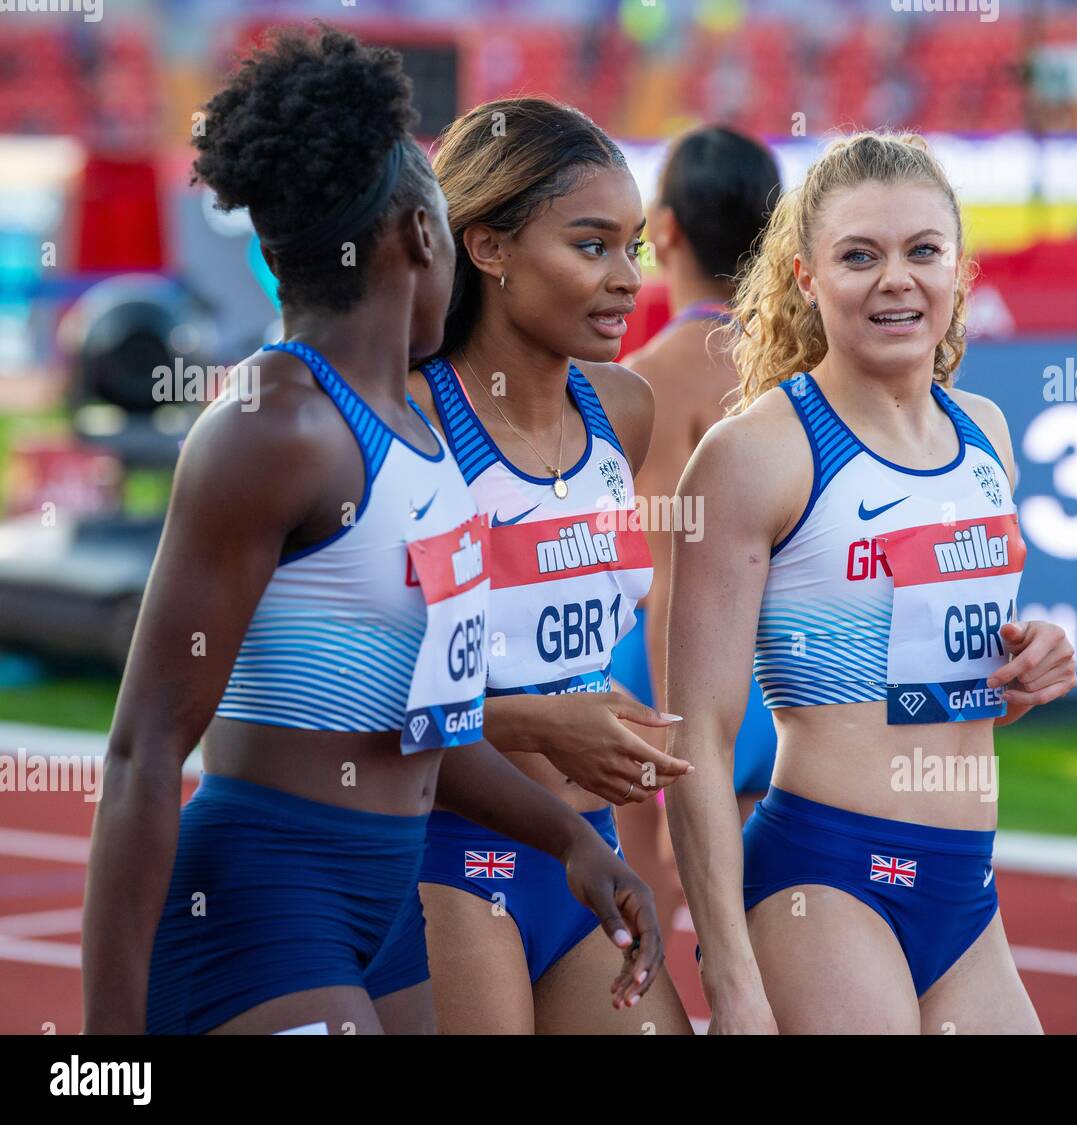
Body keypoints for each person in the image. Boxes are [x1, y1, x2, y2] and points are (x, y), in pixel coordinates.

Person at [81, 28, 663, 1036]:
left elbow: (420, 727)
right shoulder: (274, 426)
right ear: (421, 237)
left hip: (387, 912)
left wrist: (569, 839)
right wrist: (104, 1053)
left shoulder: (418, 434)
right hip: (269, 903)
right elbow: (141, 750)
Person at [664, 130, 1077, 1034]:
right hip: (827, 877)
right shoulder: (753, 454)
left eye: (923, 251)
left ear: (959, 269)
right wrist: (731, 979)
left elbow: (934, 668)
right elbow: (697, 726)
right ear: (807, 277)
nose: (897, 278)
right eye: (860, 255)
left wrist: (1030, 658)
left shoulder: (988, 437)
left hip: (967, 891)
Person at [404, 96, 694, 1034]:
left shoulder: (626, 411)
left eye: (635, 248)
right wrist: (539, 719)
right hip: (449, 862)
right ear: (486, 249)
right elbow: (343, 709)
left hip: (589, 862)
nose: (625, 280)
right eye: (591, 245)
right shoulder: (408, 428)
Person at [611, 125, 783, 920]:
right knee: (766, 926)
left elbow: (666, 575)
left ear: (664, 228)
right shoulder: (805, 370)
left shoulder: (647, 381)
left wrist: (680, 752)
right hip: (788, 664)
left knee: (636, 926)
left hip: (675, 675)